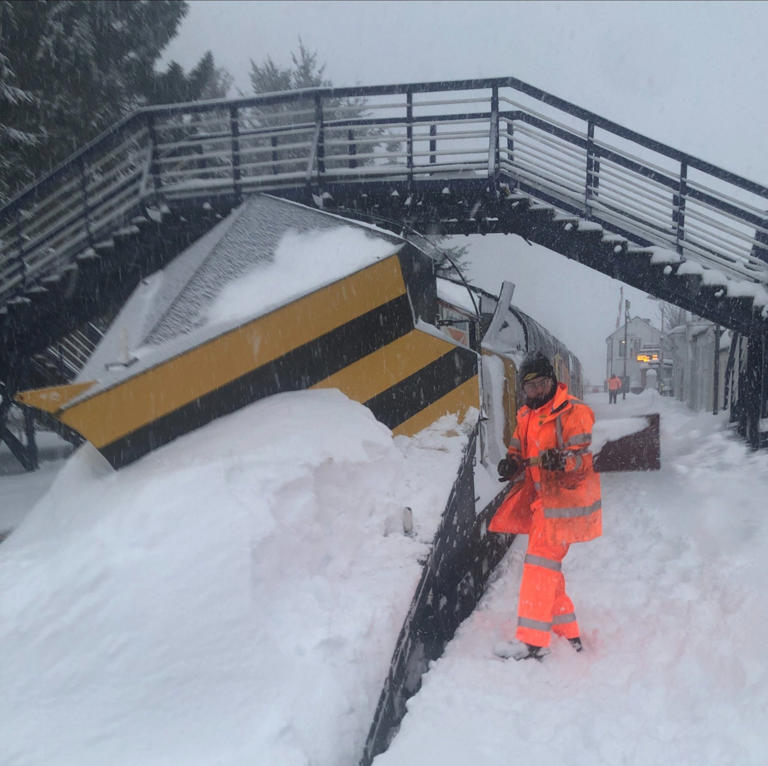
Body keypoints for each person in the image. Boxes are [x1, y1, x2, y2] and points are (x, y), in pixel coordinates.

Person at [489, 351, 602, 661]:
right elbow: (517, 450)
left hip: (565, 505)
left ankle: (532, 642)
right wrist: (510, 466)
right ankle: (569, 633)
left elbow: (587, 459)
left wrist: (564, 461)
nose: (537, 391)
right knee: (548, 571)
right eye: (530, 387)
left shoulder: (574, 412)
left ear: (553, 381)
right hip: (542, 504)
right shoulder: (526, 416)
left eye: (541, 384)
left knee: (538, 567)